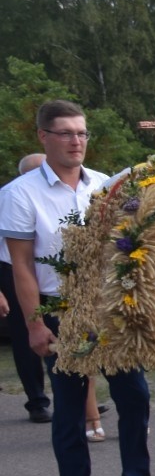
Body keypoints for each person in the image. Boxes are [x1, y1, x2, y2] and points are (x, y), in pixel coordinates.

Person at [0, 100, 155, 476]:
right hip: (59, 310)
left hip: (110, 309)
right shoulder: (19, 194)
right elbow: (22, 266)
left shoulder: (105, 186)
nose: (76, 141)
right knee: (70, 404)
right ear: (44, 137)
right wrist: (35, 324)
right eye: (65, 133)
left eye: (81, 133)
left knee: (135, 397)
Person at [0, 153, 52, 422]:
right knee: (26, 334)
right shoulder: (10, 196)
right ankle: (37, 401)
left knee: (64, 330)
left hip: (49, 271)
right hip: (12, 271)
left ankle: (81, 399)